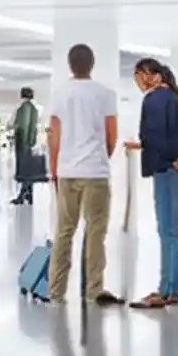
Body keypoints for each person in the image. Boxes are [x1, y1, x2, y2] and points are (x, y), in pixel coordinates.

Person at [47, 44, 125, 306]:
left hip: (67, 171)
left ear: (70, 64)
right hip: (96, 171)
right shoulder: (105, 94)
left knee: (64, 232)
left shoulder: (59, 94)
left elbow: (53, 135)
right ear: (92, 64)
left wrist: (55, 169)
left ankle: (56, 290)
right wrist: (101, 156)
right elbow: (111, 134)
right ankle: (93, 288)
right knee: (95, 231)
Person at [126, 58, 178, 309]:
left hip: (166, 168)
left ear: (150, 75)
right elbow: (171, 135)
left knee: (166, 230)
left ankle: (164, 290)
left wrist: (150, 147)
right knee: (173, 231)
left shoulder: (153, 100)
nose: (138, 82)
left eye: (138, 76)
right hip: (176, 167)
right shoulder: (174, 98)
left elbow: (155, 137)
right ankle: (172, 289)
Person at [10, 87, 42, 206]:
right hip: (29, 142)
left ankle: (22, 195)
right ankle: (29, 194)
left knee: (23, 169)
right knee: (28, 169)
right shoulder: (34, 108)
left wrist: (21, 140)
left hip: (23, 142)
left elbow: (23, 126)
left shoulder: (24, 108)